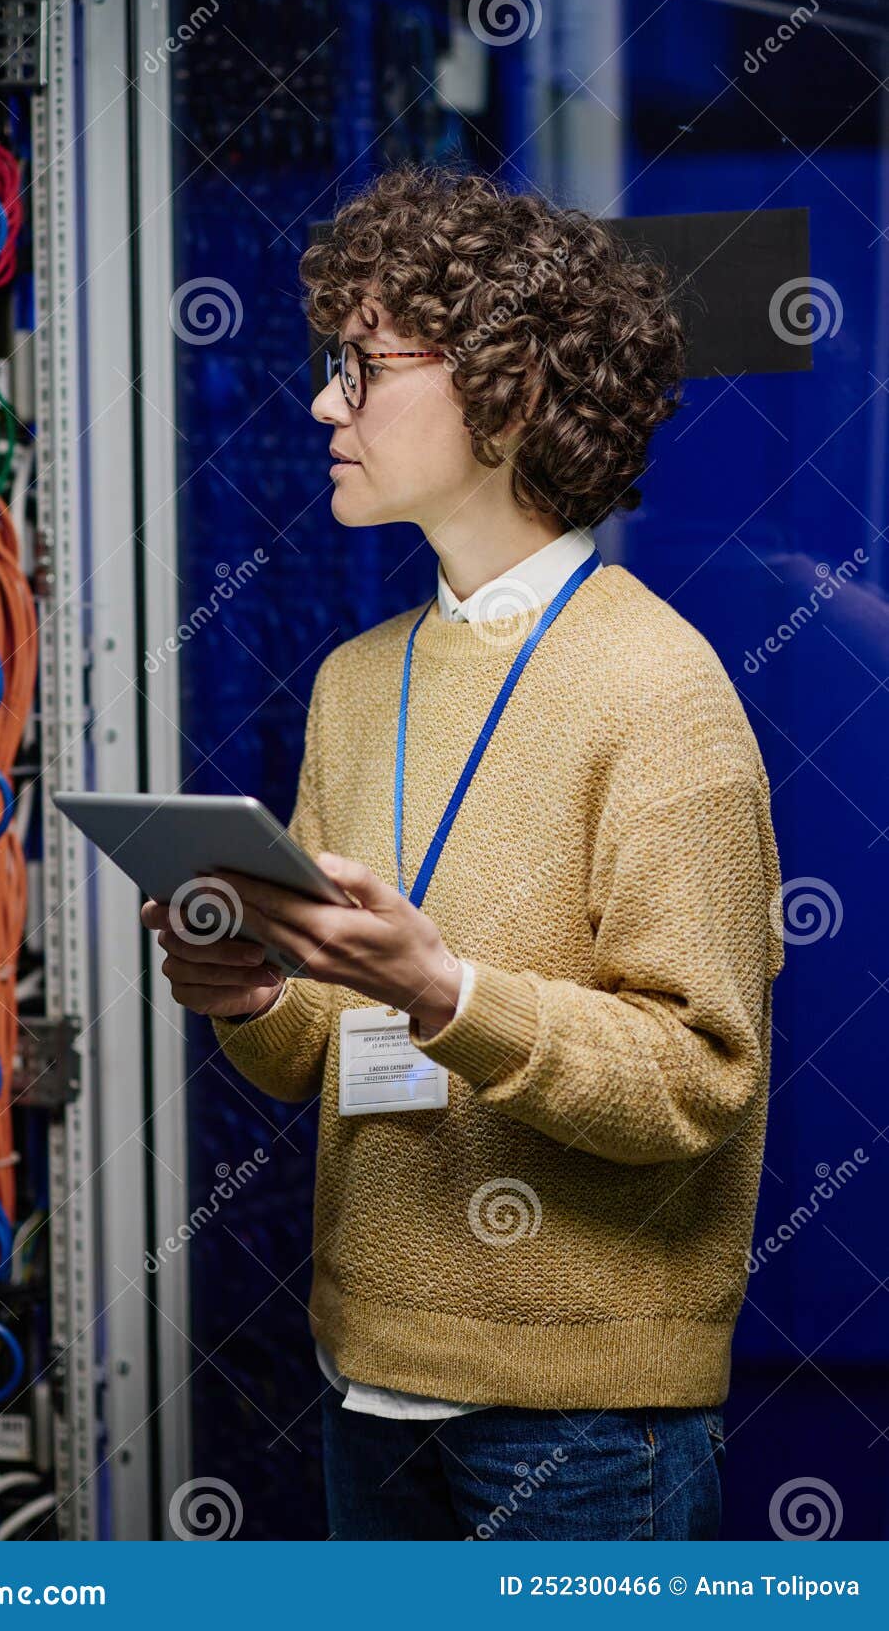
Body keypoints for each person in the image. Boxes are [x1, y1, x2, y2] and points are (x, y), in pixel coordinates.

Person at [142, 163, 785, 1541]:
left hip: (581, 1420)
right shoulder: (356, 681)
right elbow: (316, 1042)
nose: (324, 403)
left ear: (509, 389)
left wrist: (448, 995)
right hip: (364, 1375)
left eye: (361, 367)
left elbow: (700, 1076)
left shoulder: (661, 693)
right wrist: (255, 991)